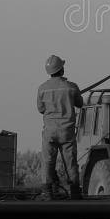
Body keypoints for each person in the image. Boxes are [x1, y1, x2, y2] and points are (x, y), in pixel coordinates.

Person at [37, 54, 84, 200]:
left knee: (47, 162)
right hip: (67, 131)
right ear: (61, 70)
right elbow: (80, 103)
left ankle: (47, 193)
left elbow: (40, 109)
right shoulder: (72, 87)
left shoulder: (42, 89)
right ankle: (75, 193)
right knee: (70, 162)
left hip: (50, 131)